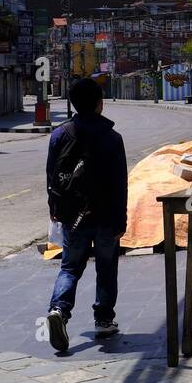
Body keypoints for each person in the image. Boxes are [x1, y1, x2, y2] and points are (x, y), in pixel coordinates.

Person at [44, 77, 128, 352]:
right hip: (105, 216)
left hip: (73, 216)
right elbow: (120, 183)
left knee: (70, 267)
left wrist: (54, 208)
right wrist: (121, 220)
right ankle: (104, 320)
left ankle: (59, 311)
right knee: (106, 267)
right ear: (98, 104)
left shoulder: (59, 135)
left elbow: (51, 176)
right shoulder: (113, 138)